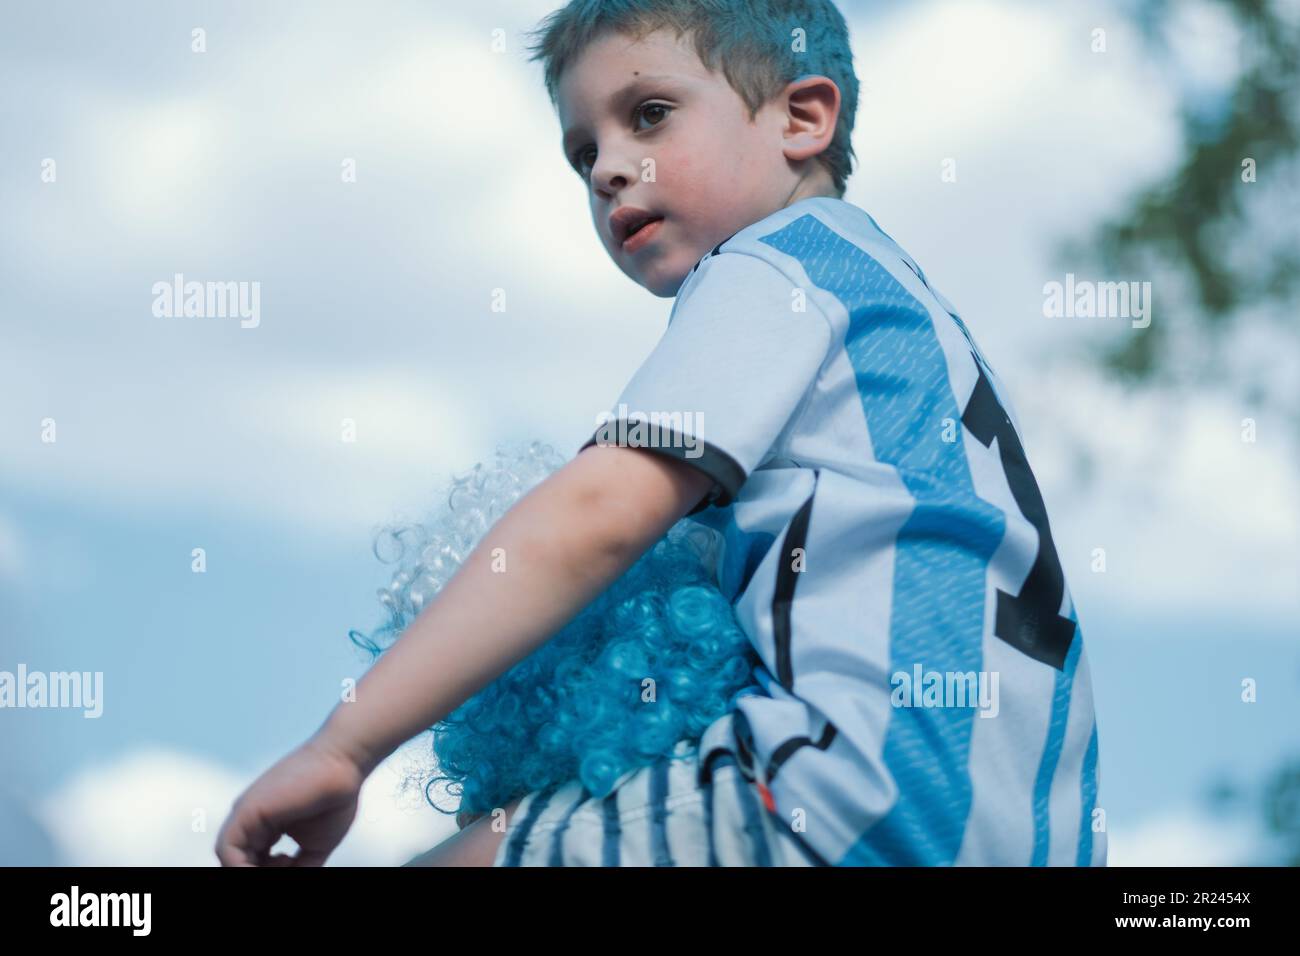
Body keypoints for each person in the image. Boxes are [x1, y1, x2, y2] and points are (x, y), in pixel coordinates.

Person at [215, 0, 1105, 868]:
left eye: (649, 115)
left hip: (847, 784)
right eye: (583, 152)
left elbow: (602, 511)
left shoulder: (775, 266)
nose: (607, 168)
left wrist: (346, 745)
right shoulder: (900, 309)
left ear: (802, 116)